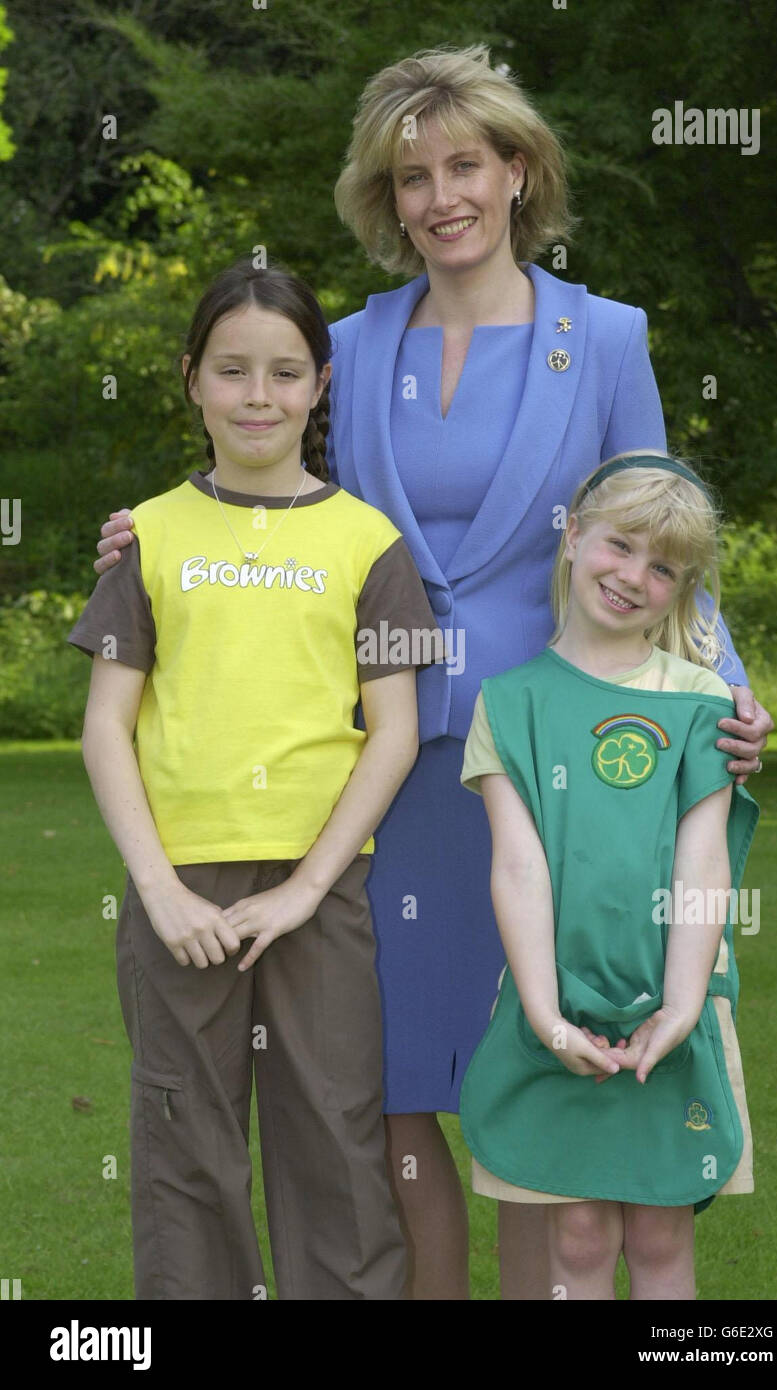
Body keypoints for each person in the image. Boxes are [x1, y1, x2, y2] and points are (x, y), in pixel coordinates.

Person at [92, 46, 773, 1299]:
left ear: (518, 172)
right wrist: (148, 533)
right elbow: (272, 495)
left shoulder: (607, 338)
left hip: (556, 764)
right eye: (413, 175)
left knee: (529, 1090)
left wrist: (722, 684)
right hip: (380, 760)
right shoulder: (342, 345)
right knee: (392, 1094)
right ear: (388, 197)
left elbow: (662, 523)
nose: (441, 195)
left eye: (466, 164)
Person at [68, 258, 440, 1300]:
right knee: (185, 1144)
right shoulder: (148, 537)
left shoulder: (369, 543)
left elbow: (394, 732)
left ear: (321, 383)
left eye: (284, 372)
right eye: (233, 371)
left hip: (319, 892)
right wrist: (160, 892)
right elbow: (106, 727)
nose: (259, 396)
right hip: (178, 890)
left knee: (336, 1138)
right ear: (192, 379)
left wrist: (305, 888)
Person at [459, 453, 760, 1300]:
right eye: (619, 546)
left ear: (682, 588)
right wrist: (549, 1020)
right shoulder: (508, 702)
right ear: (571, 536)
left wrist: (681, 1006)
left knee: (661, 1230)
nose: (632, 576)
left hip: (675, 1003)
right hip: (555, 1005)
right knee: (581, 1235)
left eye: (662, 567)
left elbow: (703, 864)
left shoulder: (702, 700)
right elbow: (516, 868)